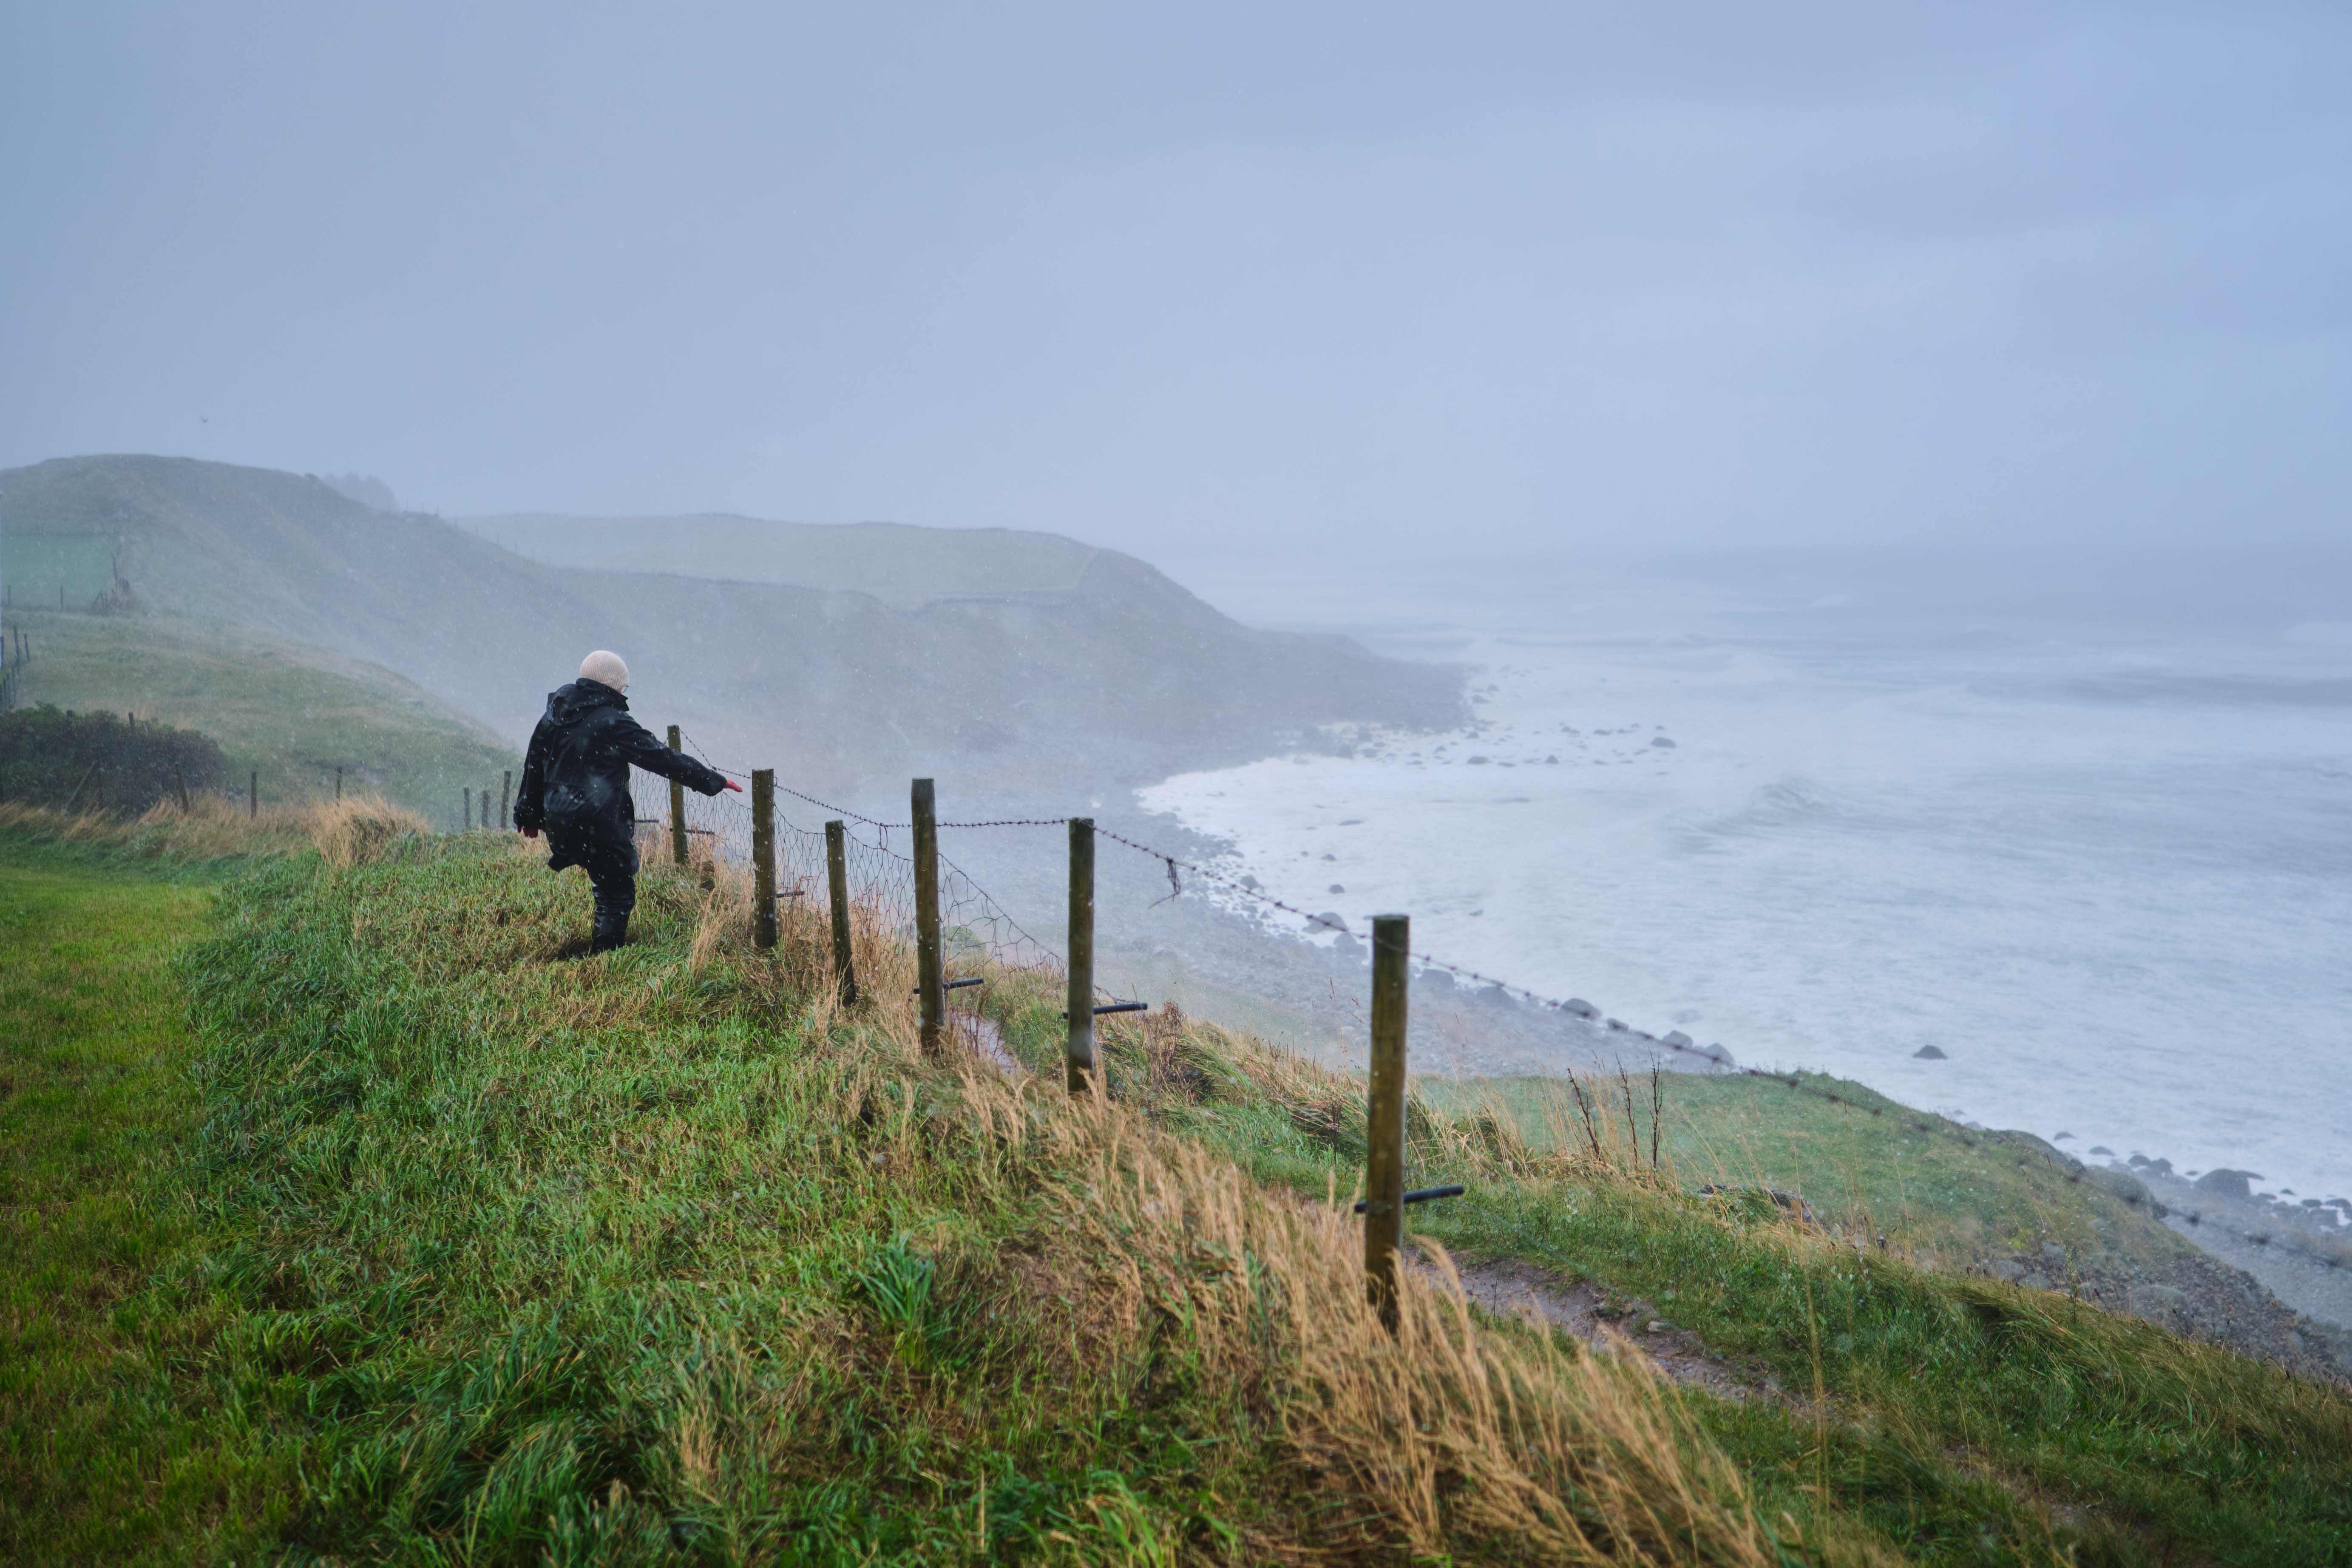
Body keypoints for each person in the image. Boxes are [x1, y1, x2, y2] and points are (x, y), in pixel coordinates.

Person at [512, 649, 739, 953]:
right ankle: (604, 956)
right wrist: (713, 781)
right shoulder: (613, 721)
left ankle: (600, 947)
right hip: (598, 819)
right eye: (623, 687)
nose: (623, 692)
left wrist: (528, 815)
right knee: (617, 890)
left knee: (604, 878)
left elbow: (534, 764)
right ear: (611, 685)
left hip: (560, 818)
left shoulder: (554, 714)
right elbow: (662, 757)